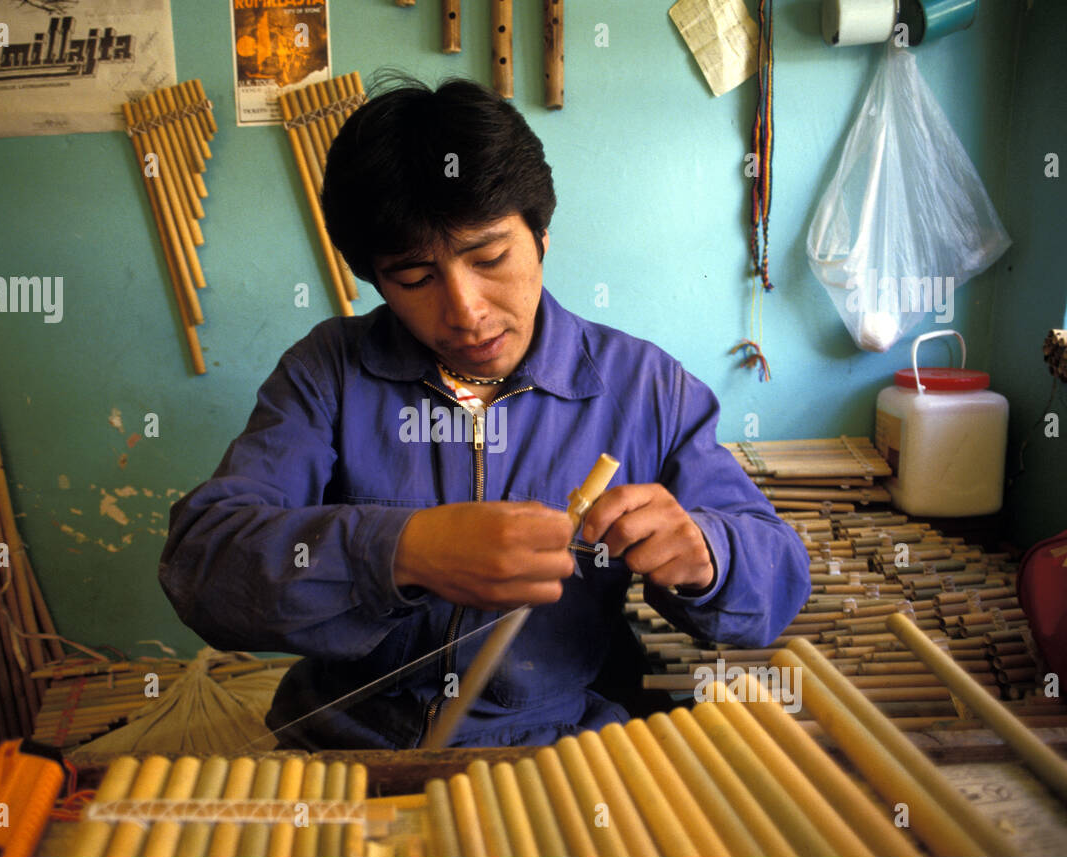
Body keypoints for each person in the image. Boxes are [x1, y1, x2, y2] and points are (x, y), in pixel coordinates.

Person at [158, 76, 811, 750]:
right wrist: (402, 551)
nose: (465, 311)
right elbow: (203, 563)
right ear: (374, 278)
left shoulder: (643, 386)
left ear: (542, 235)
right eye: (415, 278)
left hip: (566, 750)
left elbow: (776, 584)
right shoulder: (329, 373)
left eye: (491, 257)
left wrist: (709, 555)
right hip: (351, 749)